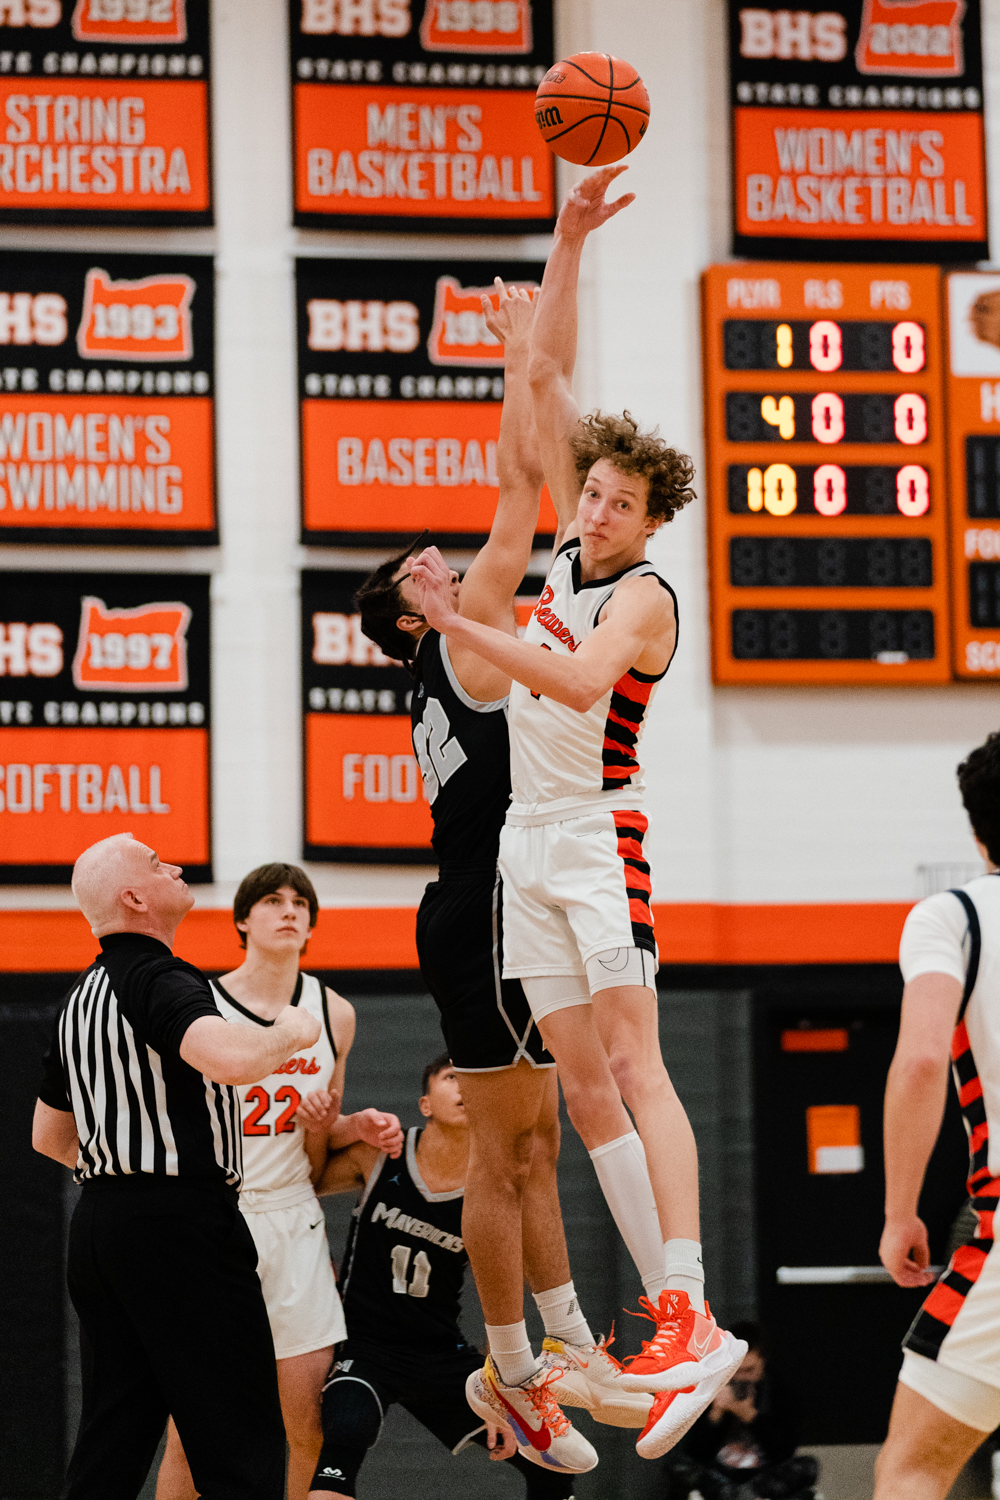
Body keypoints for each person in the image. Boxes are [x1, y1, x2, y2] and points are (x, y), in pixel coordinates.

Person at [409, 165, 746, 1461]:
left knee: (637, 1065)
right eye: (590, 493)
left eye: (616, 501)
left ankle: (692, 1309)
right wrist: (566, 235)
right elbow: (545, 392)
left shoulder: (645, 595)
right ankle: (658, 1326)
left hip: (605, 836)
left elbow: (574, 677)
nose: (594, 508)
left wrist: (460, 618)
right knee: (583, 1090)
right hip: (525, 851)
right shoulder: (564, 554)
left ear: (651, 518)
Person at [355, 282, 650, 1475]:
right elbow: (522, 490)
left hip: (483, 899)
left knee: (527, 1148)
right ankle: (519, 1362)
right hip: (484, 906)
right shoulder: (464, 628)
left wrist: (531, 361)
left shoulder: (440, 673)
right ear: (413, 615)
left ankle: (547, 1350)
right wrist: (522, 365)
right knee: (511, 1147)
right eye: (419, 567)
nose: (447, 558)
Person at [31, 833, 320, 1500]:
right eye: (159, 864)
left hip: (101, 1227)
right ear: (135, 897)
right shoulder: (158, 975)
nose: (178, 867)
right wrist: (292, 1032)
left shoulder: (82, 997)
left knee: (112, 1440)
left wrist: (125, 1169)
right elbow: (230, 1059)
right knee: (239, 1444)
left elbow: (49, 1134)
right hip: (180, 1227)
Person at [154, 863, 404, 1500]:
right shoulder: (200, 1004)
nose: (289, 910)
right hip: (217, 1217)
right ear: (242, 920)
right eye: (271, 900)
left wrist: (354, 1125)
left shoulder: (335, 1012)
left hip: (293, 1216)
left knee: (307, 1419)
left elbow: (314, 1143)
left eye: (300, 902)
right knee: (192, 1429)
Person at [307, 1054, 578, 1500]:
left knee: (552, 1462)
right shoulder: (380, 1154)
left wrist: (500, 1392)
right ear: (425, 1103)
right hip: (364, 1345)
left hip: (438, 1352)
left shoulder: (496, 1187)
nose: (464, 1088)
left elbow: (510, 1291)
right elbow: (308, 1181)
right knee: (344, 1435)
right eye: (452, 1077)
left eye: (472, 1078)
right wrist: (326, 1127)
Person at [876, 730, 1000, 1500]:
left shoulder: (954, 914)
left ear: (978, 829)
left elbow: (922, 1060)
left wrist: (898, 1212)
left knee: (914, 1468)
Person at [664, 1323, 817, 1500]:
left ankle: (740, 1496)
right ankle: (743, 1496)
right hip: (721, 1473)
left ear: (763, 1361)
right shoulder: (708, 1387)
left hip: (763, 1474)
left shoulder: (781, 1392)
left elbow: (784, 1452)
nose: (741, 1377)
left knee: (808, 1466)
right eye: (735, 1370)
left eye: (749, 1370)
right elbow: (696, 1453)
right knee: (677, 1465)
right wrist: (716, 1414)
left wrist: (750, 1417)